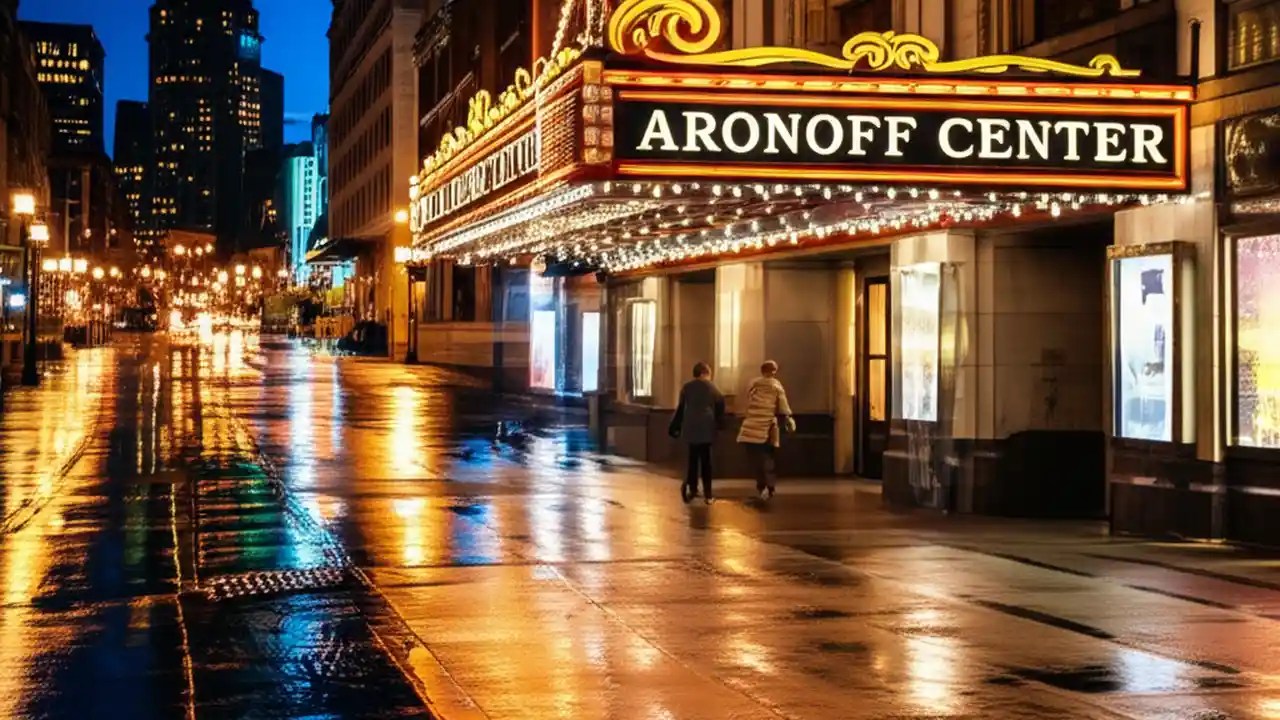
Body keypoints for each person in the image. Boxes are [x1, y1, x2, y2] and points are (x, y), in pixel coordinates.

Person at [737, 360, 795, 500]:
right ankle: (769, 487)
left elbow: (746, 402)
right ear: (772, 371)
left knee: (755, 460)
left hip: (750, 428)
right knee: (767, 458)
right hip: (765, 428)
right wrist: (788, 418)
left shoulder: (753, 384)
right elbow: (783, 406)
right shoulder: (776, 385)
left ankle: (760, 486)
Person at [669, 361, 725, 504]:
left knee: (692, 459)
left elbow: (681, 408)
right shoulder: (712, 387)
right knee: (706, 462)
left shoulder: (687, 388)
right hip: (707, 427)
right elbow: (720, 405)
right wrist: (720, 424)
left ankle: (692, 487)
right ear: (705, 373)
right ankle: (708, 494)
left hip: (690, 427)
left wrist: (675, 426)